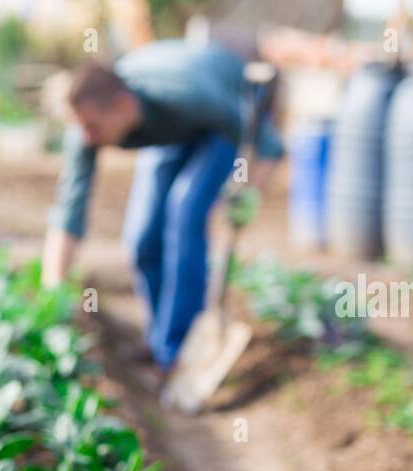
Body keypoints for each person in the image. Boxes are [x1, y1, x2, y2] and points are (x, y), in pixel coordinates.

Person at [41, 38, 282, 371]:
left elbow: (270, 143)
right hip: (168, 128)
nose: (88, 139)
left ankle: (179, 349)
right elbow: (70, 205)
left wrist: (251, 193)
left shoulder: (191, 98)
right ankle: (160, 340)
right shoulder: (88, 121)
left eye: (94, 128)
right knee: (142, 239)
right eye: (82, 129)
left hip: (216, 122)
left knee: (185, 214)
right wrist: (53, 286)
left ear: (124, 105)